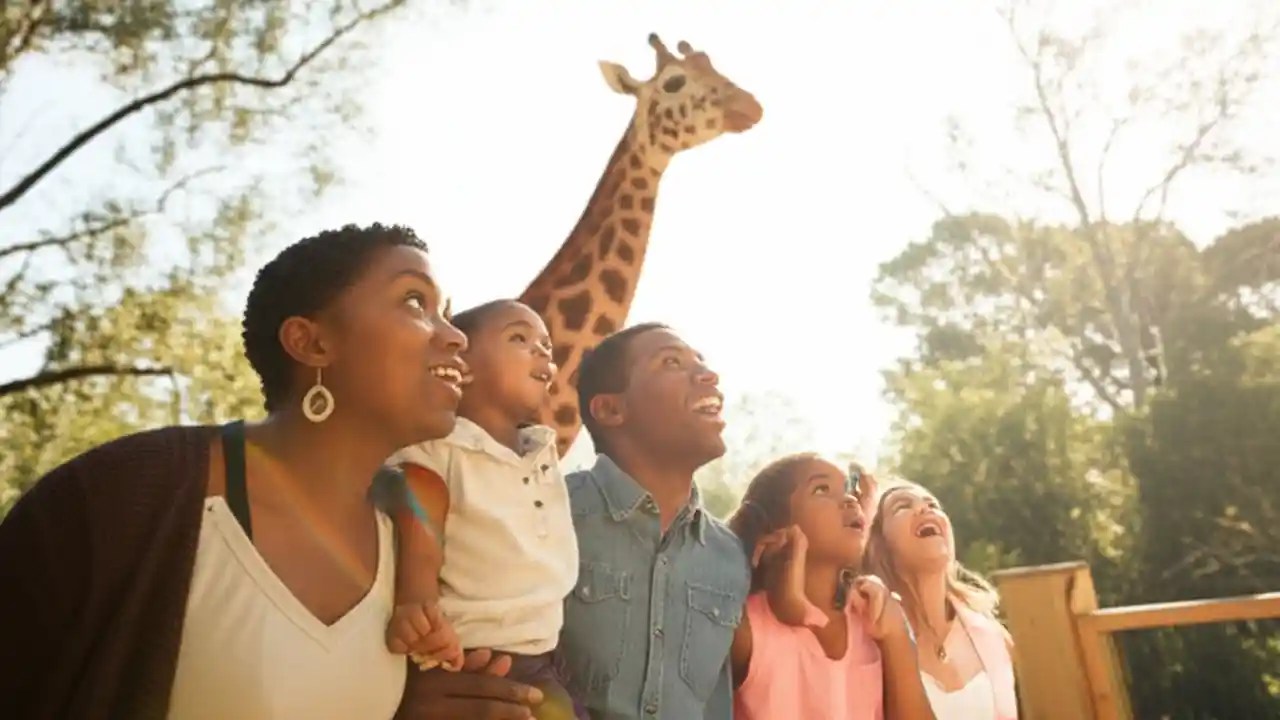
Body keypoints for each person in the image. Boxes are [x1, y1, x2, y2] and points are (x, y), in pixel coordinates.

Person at [0, 223, 541, 719]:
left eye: (447, 312)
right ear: (311, 342)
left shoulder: (417, 541)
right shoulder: (124, 498)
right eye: (415, 301)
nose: (456, 337)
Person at [379, 299, 585, 720]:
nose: (544, 351)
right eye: (519, 338)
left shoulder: (541, 453)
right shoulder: (442, 447)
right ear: (463, 365)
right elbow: (412, 494)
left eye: (546, 344)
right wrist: (417, 600)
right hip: (469, 659)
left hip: (548, 658)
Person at [725, 453, 937, 720]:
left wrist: (898, 638)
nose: (850, 499)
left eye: (848, 489)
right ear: (776, 528)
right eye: (822, 489)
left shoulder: (876, 619)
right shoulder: (746, 628)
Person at [862, 482, 1018, 720]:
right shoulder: (867, 639)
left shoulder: (996, 638)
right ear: (879, 543)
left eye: (932, 505)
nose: (925, 510)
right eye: (902, 506)